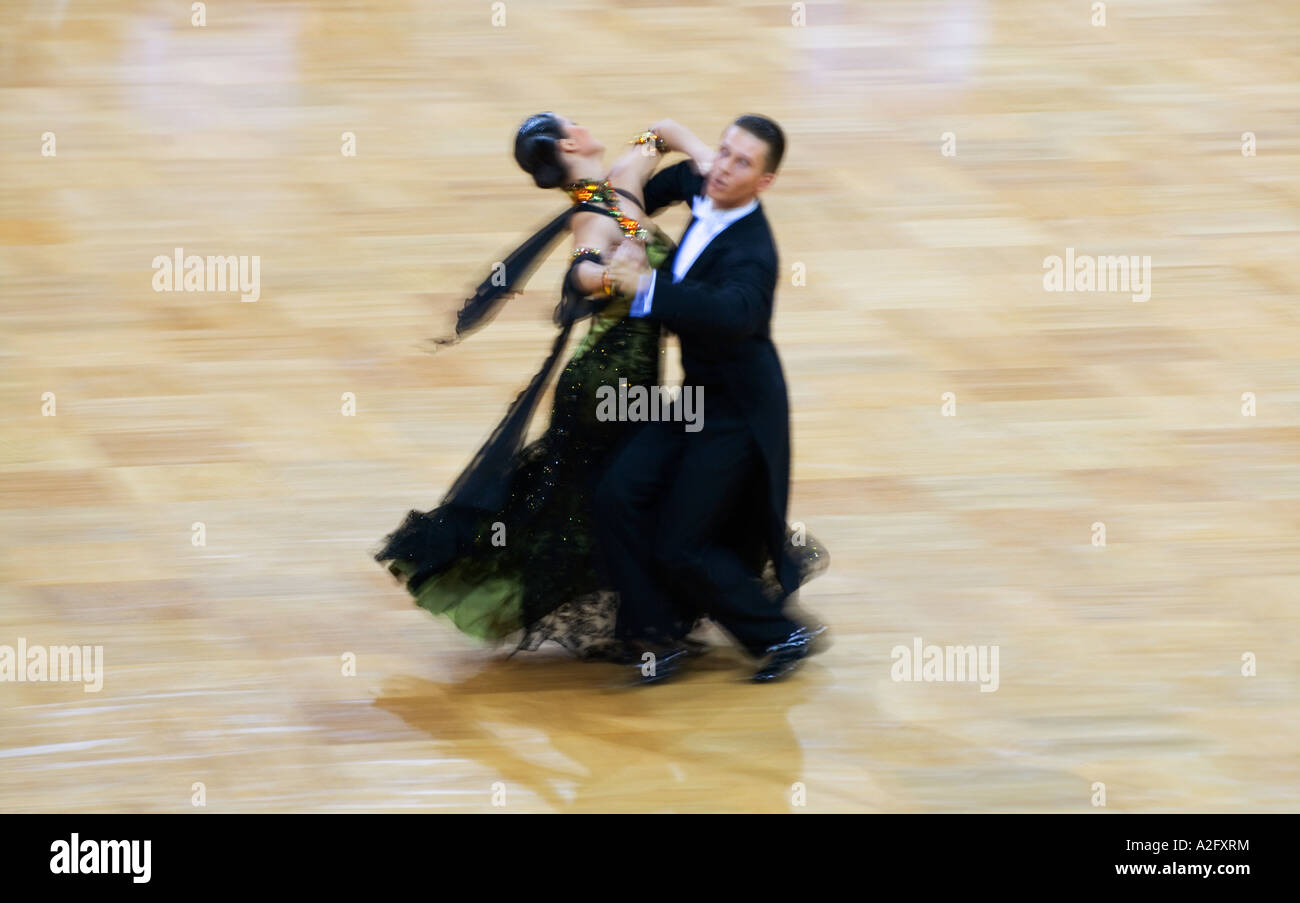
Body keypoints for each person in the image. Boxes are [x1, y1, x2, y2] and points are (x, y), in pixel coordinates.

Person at [373, 113, 716, 661]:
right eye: (575, 124)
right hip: (606, 387)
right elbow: (582, 271)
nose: (585, 125)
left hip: (634, 380)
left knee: (603, 503)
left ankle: (645, 621)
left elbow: (660, 130)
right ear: (570, 143)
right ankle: (640, 626)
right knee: (608, 504)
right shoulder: (591, 217)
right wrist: (615, 275)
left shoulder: (622, 184)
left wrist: (700, 152)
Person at [600, 114, 829, 684]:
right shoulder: (700, 181)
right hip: (693, 396)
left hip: (738, 412)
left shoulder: (755, 252)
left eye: (742, 162)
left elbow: (732, 313)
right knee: (616, 495)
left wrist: (645, 285)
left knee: (683, 544)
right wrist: (602, 196)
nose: (725, 168)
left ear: (765, 182)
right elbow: (619, 194)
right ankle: (654, 636)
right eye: (723, 152)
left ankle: (782, 635)